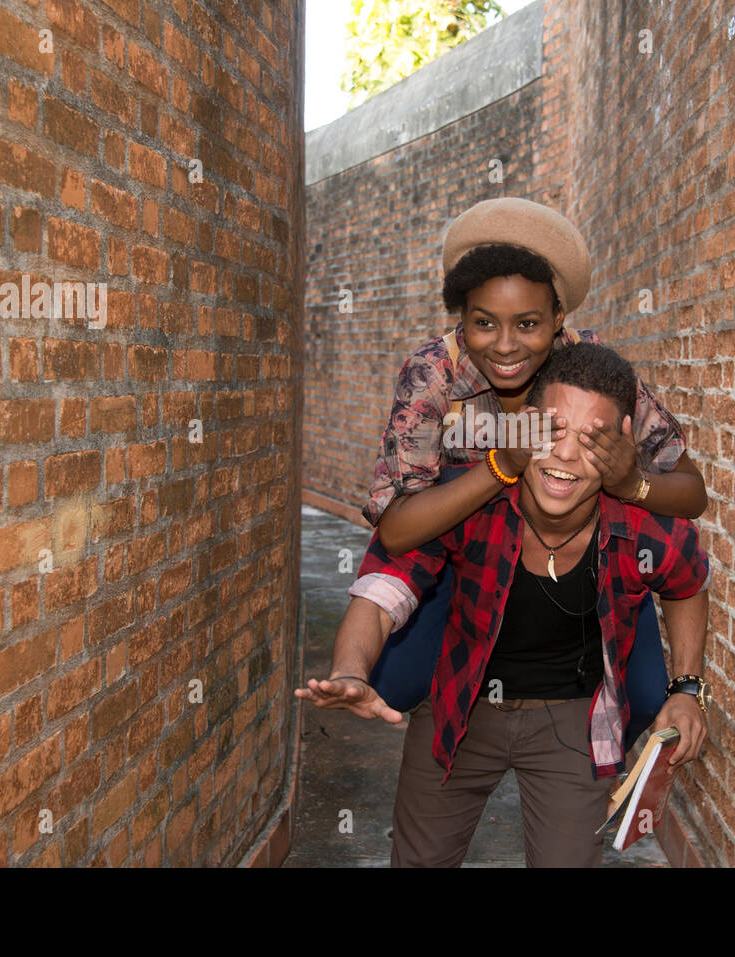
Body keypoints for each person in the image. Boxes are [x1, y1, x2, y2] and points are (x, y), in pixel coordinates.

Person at [297, 343, 712, 867]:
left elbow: (687, 582)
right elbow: (386, 587)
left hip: (574, 721)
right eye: (552, 433)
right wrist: (351, 670)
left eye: (593, 442)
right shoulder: (472, 502)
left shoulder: (638, 525)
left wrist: (688, 688)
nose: (564, 456)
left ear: (624, 450)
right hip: (460, 705)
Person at [358, 198, 707, 745]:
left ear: (558, 319)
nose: (505, 345)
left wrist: (629, 483)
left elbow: (692, 494)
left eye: (527, 324)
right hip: (467, 553)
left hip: (582, 554)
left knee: (643, 697)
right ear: (462, 317)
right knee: (393, 681)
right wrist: (501, 466)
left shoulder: (593, 368)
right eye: (483, 323)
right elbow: (397, 529)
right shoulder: (432, 375)